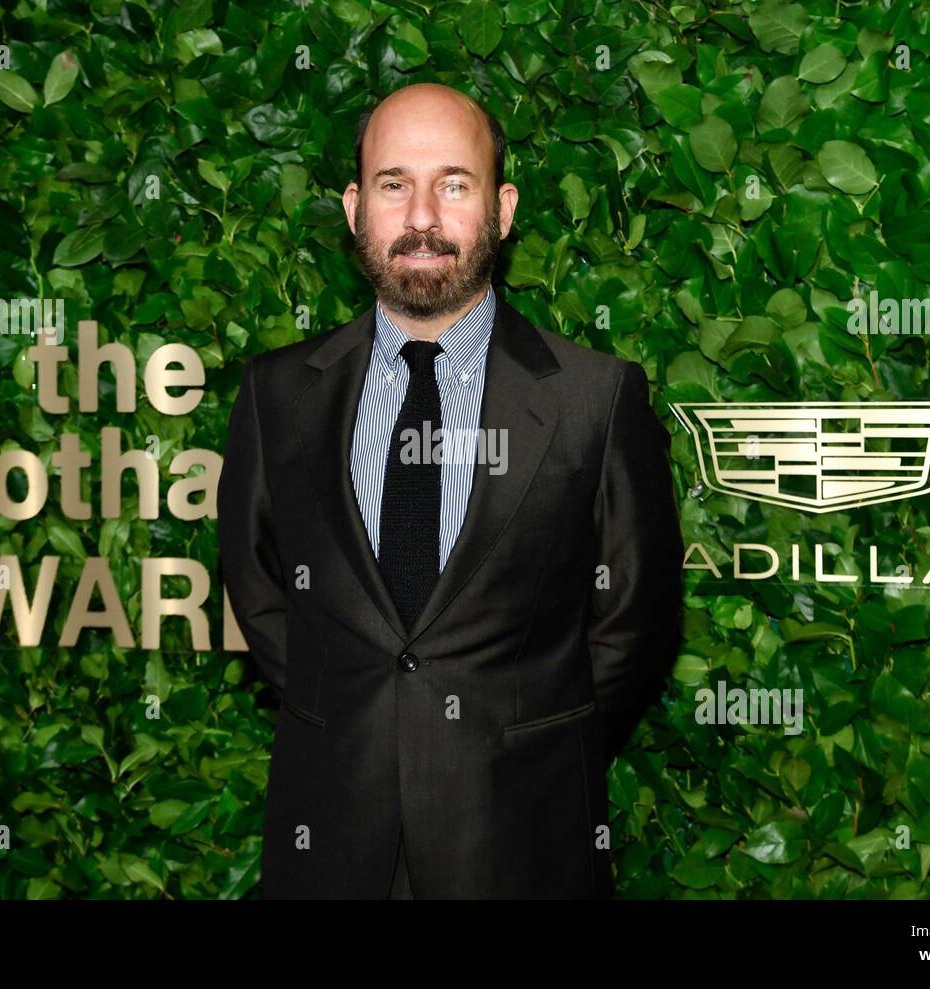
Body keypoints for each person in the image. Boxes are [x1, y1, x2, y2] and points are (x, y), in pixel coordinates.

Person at [217, 82, 684, 899]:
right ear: (356, 207)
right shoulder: (277, 393)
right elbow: (260, 590)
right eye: (395, 184)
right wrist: (364, 720)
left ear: (502, 209)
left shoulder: (594, 398)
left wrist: (525, 737)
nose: (423, 216)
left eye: (454, 184)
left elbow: (636, 623)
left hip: (525, 848)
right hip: (329, 847)